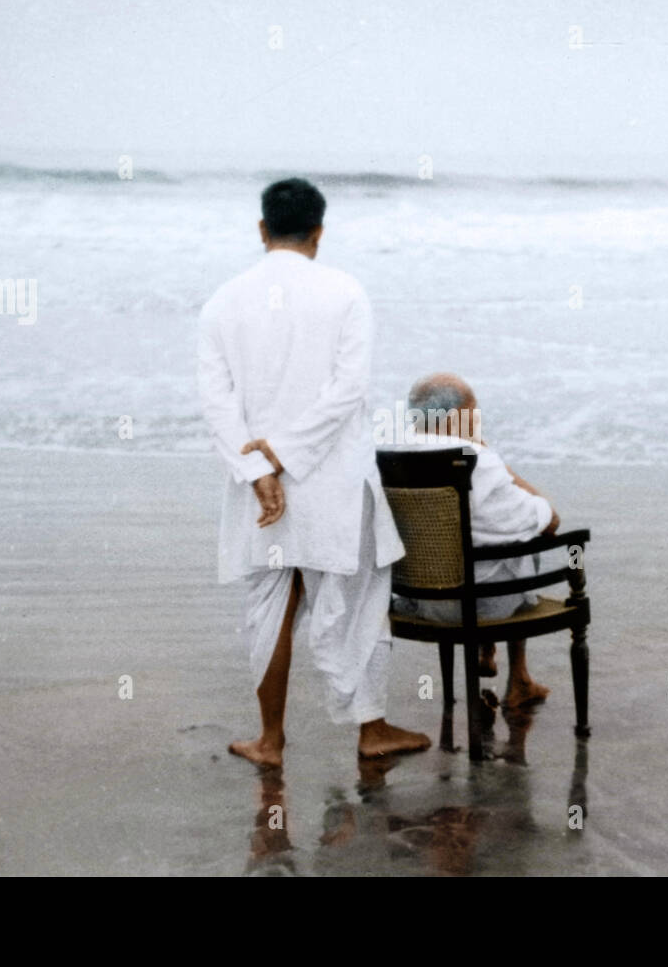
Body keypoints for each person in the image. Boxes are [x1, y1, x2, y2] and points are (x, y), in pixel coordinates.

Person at [197, 177, 430, 768]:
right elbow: (347, 392)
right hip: (332, 478)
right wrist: (286, 455)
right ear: (319, 232)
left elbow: (217, 403)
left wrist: (259, 467)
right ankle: (370, 730)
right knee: (355, 601)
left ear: (261, 229)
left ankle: (270, 740)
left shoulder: (223, 300)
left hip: (260, 491)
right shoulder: (345, 291)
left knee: (269, 605)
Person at [394, 372, 558, 708]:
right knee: (522, 540)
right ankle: (519, 678)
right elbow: (549, 520)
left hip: (420, 602)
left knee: (481, 538)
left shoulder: (392, 454)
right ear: (456, 418)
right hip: (481, 604)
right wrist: (500, 464)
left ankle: (488, 654)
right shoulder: (477, 460)